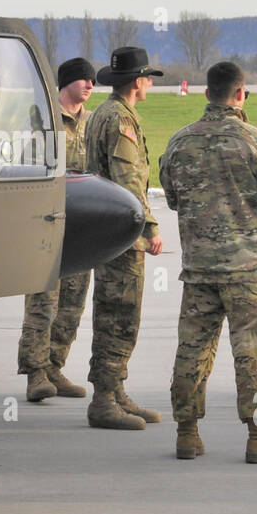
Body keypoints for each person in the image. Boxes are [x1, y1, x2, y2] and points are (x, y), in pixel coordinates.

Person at [161, 62, 257, 463]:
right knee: (252, 353)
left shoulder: (179, 142)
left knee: (192, 349)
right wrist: (253, 225)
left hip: (200, 268)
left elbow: (173, 198)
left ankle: (187, 433)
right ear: (241, 95)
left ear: (207, 94)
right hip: (247, 269)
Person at [83, 46, 164, 429]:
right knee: (120, 316)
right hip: (122, 234)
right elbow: (129, 179)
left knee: (112, 312)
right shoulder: (120, 121)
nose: (149, 82)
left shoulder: (106, 113)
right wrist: (149, 227)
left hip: (107, 231)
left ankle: (114, 391)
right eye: (147, 76)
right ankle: (103, 400)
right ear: (137, 82)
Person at [17, 57, 97, 401]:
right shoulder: (42, 120)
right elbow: (26, 170)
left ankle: (54, 367)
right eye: (84, 79)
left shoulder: (93, 123)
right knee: (42, 303)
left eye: (93, 80)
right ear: (66, 83)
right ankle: (35, 373)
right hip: (48, 223)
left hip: (82, 226)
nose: (90, 85)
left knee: (72, 305)